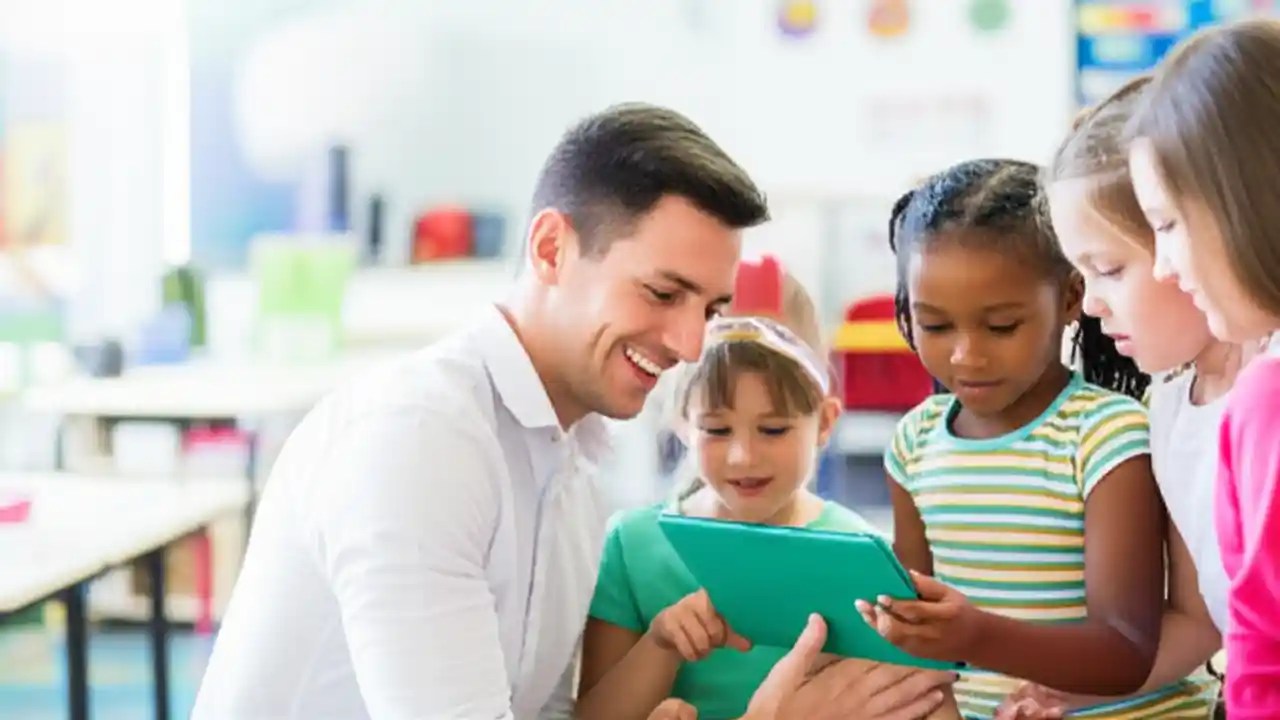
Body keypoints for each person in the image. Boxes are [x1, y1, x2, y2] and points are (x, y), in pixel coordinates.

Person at [190, 102, 955, 720]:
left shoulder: (572, 462)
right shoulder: (419, 440)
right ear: (552, 250)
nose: (691, 345)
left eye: (710, 308)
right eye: (661, 294)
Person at [857, 158, 1202, 719]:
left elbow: (1125, 652)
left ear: (1070, 298)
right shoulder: (914, 443)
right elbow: (918, 637)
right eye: (936, 325)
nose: (966, 354)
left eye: (1001, 326)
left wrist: (973, 636)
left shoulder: (1106, 437)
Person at [577, 303, 960, 718]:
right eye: (717, 429)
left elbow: (926, 698)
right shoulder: (634, 547)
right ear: (683, 424)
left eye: (773, 429)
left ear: (825, 421)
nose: (744, 457)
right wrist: (660, 645)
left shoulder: (861, 556)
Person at [1126, 19, 1280, 719]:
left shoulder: (1265, 402)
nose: (1164, 267)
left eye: (1167, 224)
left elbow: (1262, 660)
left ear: (1242, 198)